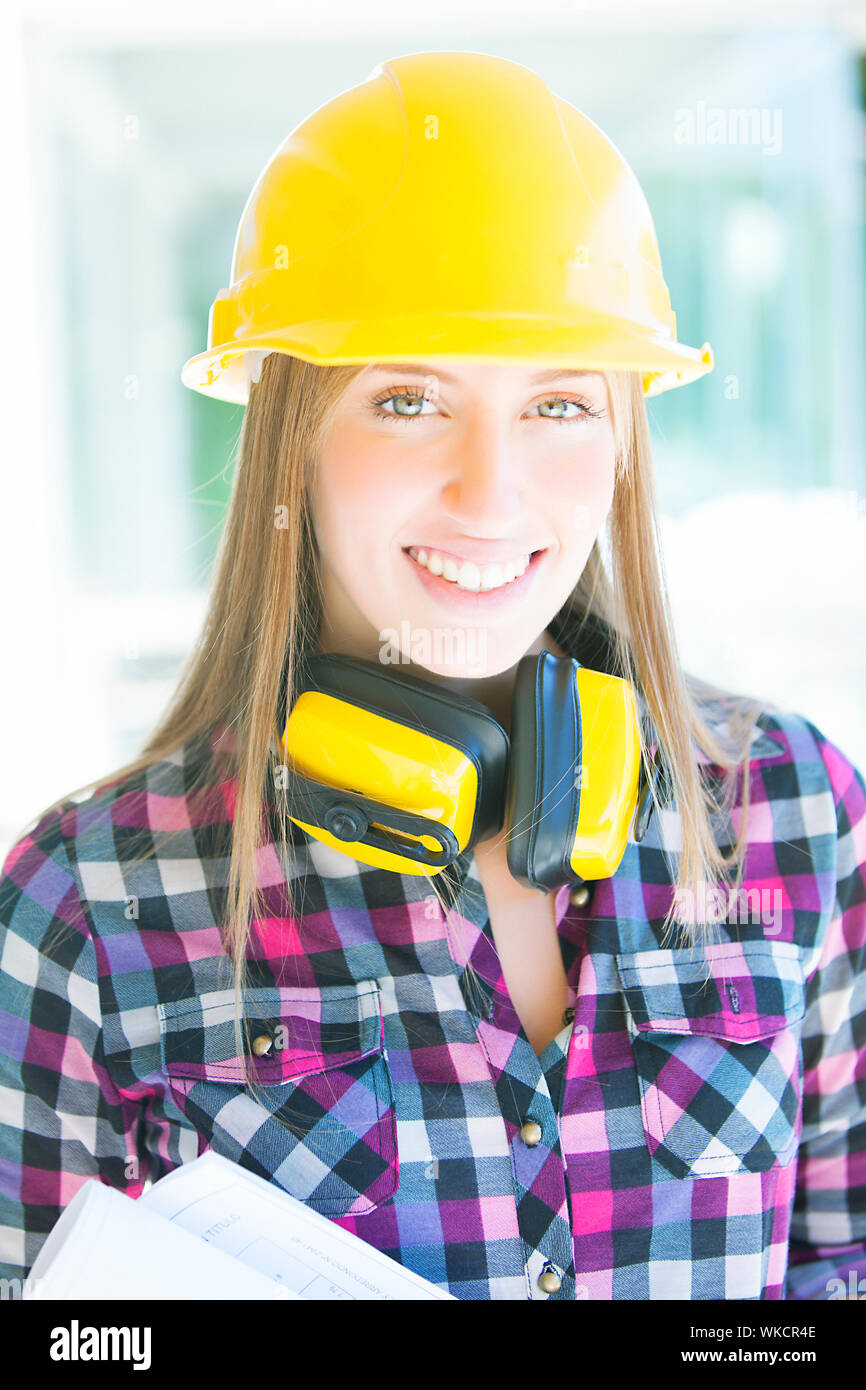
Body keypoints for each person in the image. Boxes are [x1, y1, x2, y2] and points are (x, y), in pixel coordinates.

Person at [1, 50, 864, 1303]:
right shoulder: (85, 909)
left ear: (623, 442)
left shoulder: (795, 813)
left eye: (559, 406)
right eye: (407, 399)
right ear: (289, 441)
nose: (490, 490)